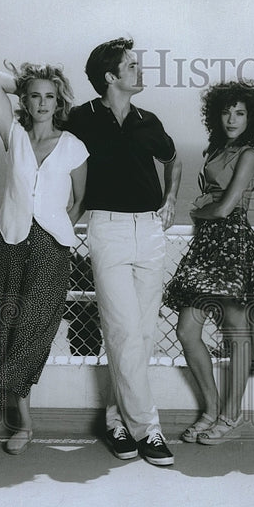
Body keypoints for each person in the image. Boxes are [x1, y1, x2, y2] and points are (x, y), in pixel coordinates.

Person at [66, 38, 182, 467]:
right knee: (123, 331)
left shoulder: (148, 120)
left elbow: (174, 160)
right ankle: (148, 429)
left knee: (141, 334)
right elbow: (40, 129)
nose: (140, 70)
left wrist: (171, 198)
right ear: (111, 77)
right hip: (107, 230)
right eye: (131, 65)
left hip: (150, 231)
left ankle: (116, 421)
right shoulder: (81, 119)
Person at [0, 62, 89, 454]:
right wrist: (30, 79)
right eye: (34, 95)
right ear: (24, 100)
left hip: (51, 247)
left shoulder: (73, 146)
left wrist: (56, 230)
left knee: (33, 330)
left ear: (59, 103)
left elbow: (79, 202)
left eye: (49, 96)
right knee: (1, 324)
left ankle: (21, 421)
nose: (41, 102)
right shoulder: (14, 135)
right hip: (12, 240)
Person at [164, 81, 254, 444]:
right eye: (227, 111)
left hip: (232, 243)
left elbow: (227, 207)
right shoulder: (216, 149)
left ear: (252, 118)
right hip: (207, 245)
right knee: (187, 331)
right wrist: (203, 214)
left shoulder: (248, 153)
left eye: (240, 113)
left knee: (236, 333)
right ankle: (212, 409)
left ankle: (231, 416)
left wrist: (199, 211)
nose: (232, 118)